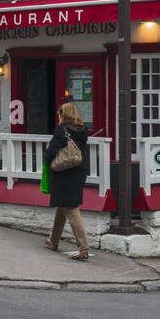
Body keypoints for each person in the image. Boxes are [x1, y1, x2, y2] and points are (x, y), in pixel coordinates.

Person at [42, 102, 91, 260]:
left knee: (70, 208)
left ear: (63, 114)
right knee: (62, 206)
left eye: (60, 113)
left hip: (64, 173)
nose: (58, 116)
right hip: (78, 172)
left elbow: (51, 152)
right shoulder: (83, 130)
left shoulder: (61, 130)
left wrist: (47, 160)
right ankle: (53, 240)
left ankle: (83, 248)